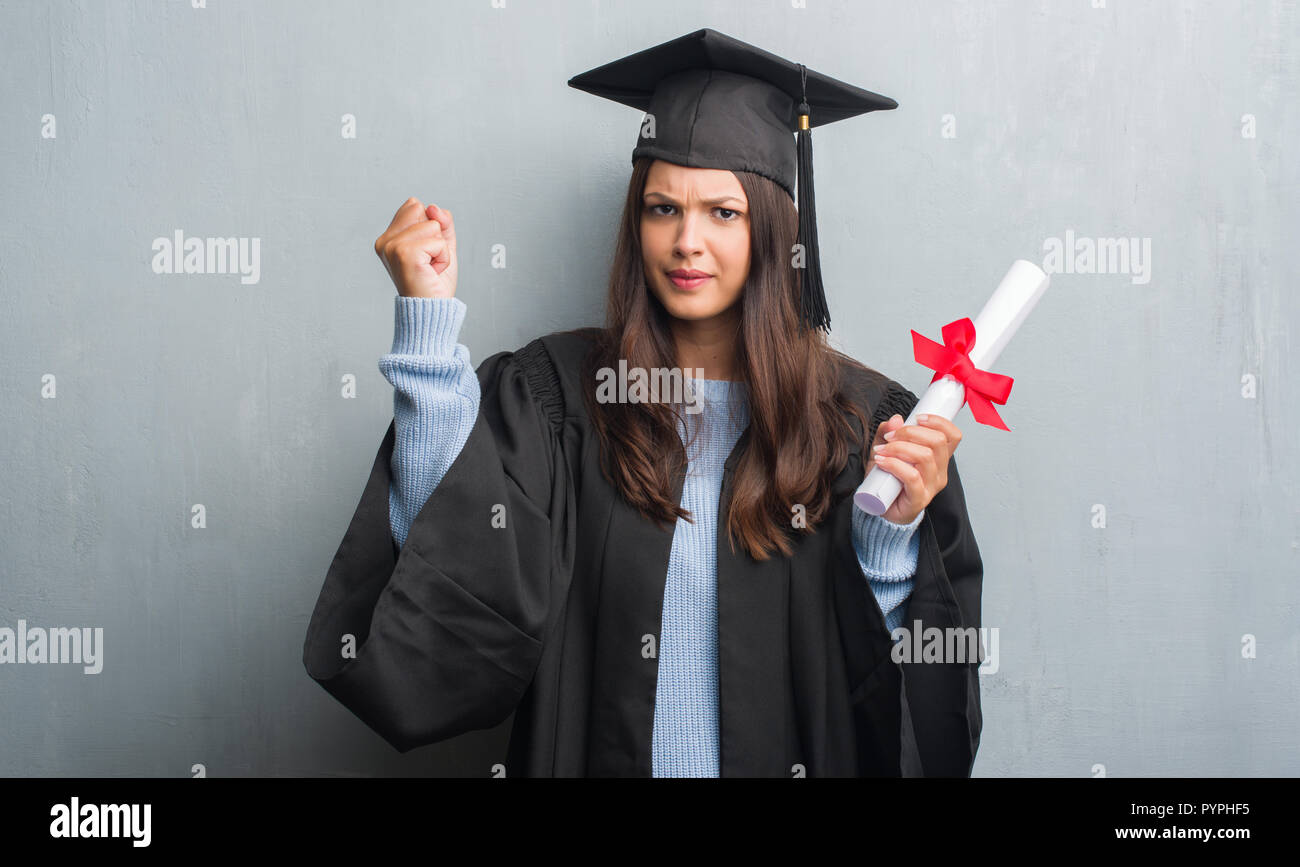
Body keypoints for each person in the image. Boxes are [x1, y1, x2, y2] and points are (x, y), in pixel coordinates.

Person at [303, 28, 984, 777]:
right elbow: (460, 568)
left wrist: (891, 537)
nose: (686, 241)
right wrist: (428, 334)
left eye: (724, 213)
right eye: (663, 208)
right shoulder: (561, 398)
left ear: (776, 227)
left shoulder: (861, 424)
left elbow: (910, 717)